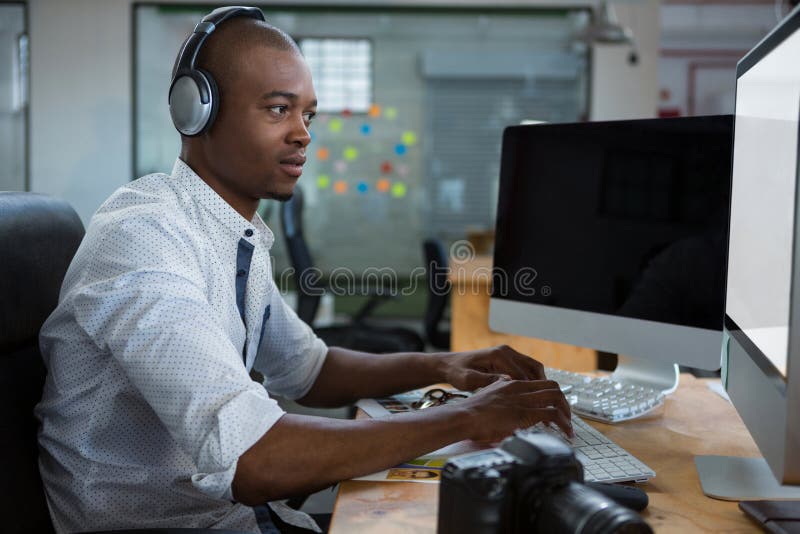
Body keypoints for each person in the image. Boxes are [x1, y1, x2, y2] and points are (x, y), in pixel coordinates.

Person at [36, 8, 571, 534]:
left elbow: (310, 370)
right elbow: (254, 460)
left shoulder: (233, 236)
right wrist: (467, 418)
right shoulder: (146, 238)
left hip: (233, 518)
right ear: (196, 113)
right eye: (277, 109)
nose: (302, 135)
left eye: (307, 115)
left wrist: (448, 366)